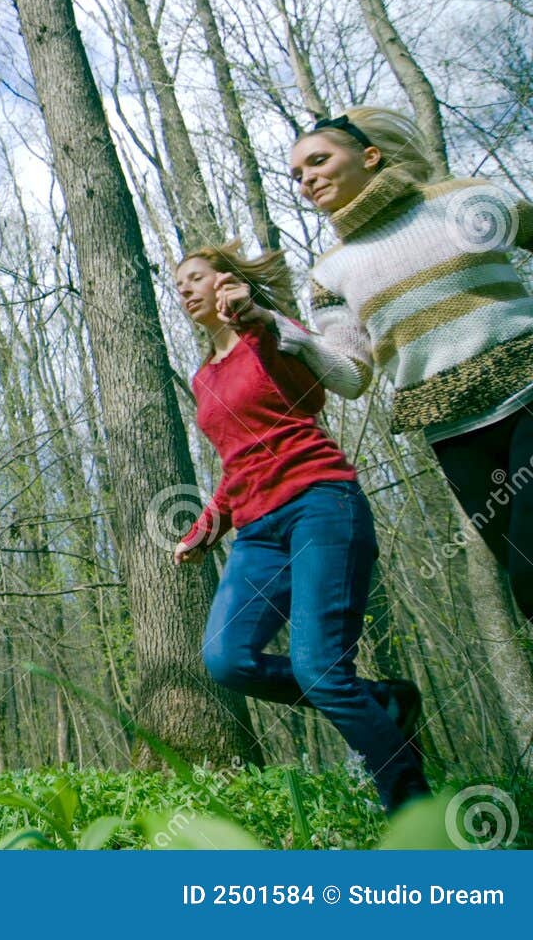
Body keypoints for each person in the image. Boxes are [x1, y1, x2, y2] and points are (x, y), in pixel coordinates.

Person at [173, 242, 429, 815]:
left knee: (320, 668)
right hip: (259, 531)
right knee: (227, 658)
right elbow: (236, 461)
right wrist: (207, 525)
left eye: (196, 278)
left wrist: (261, 321)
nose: (185, 289)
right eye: (179, 285)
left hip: (319, 502)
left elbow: (313, 396)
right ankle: (382, 702)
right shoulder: (202, 378)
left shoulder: (272, 333)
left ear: (228, 283)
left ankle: (413, 815)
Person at [283, 106, 533, 624]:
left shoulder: (462, 201)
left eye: (318, 160)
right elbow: (352, 376)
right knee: (526, 590)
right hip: (455, 432)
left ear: (369, 156)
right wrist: (289, 337)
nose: (306, 180)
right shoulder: (331, 272)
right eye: (297, 175)